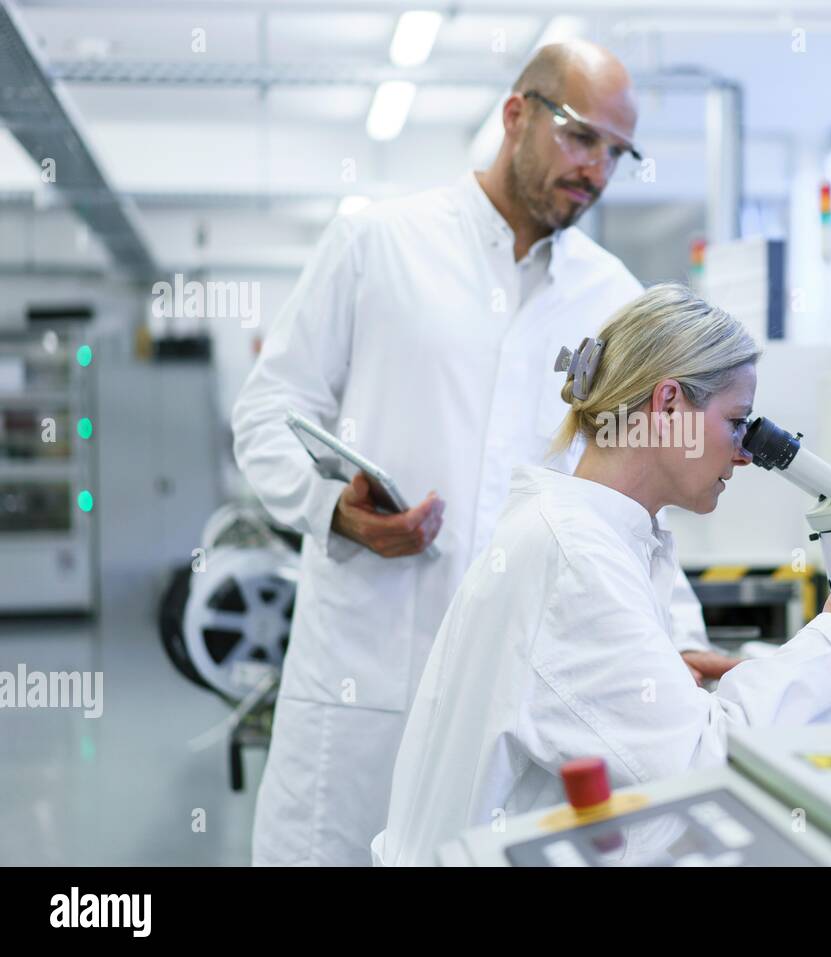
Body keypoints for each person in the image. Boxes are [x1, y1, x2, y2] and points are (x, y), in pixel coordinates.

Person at [231, 41, 729, 866]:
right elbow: (268, 409)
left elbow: (633, 500)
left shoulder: (612, 298)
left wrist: (668, 641)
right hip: (368, 674)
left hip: (523, 697)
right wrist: (333, 513)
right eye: (580, 137)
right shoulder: (379, 244)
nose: (597, 169)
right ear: (515, 114)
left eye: (617, 152)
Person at [374, 284, 831, 865]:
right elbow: (700, 771)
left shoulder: (593, 534)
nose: (743, 454)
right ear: (667, 406)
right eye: (737, 422)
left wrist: (672, 675)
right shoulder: (575, 555)